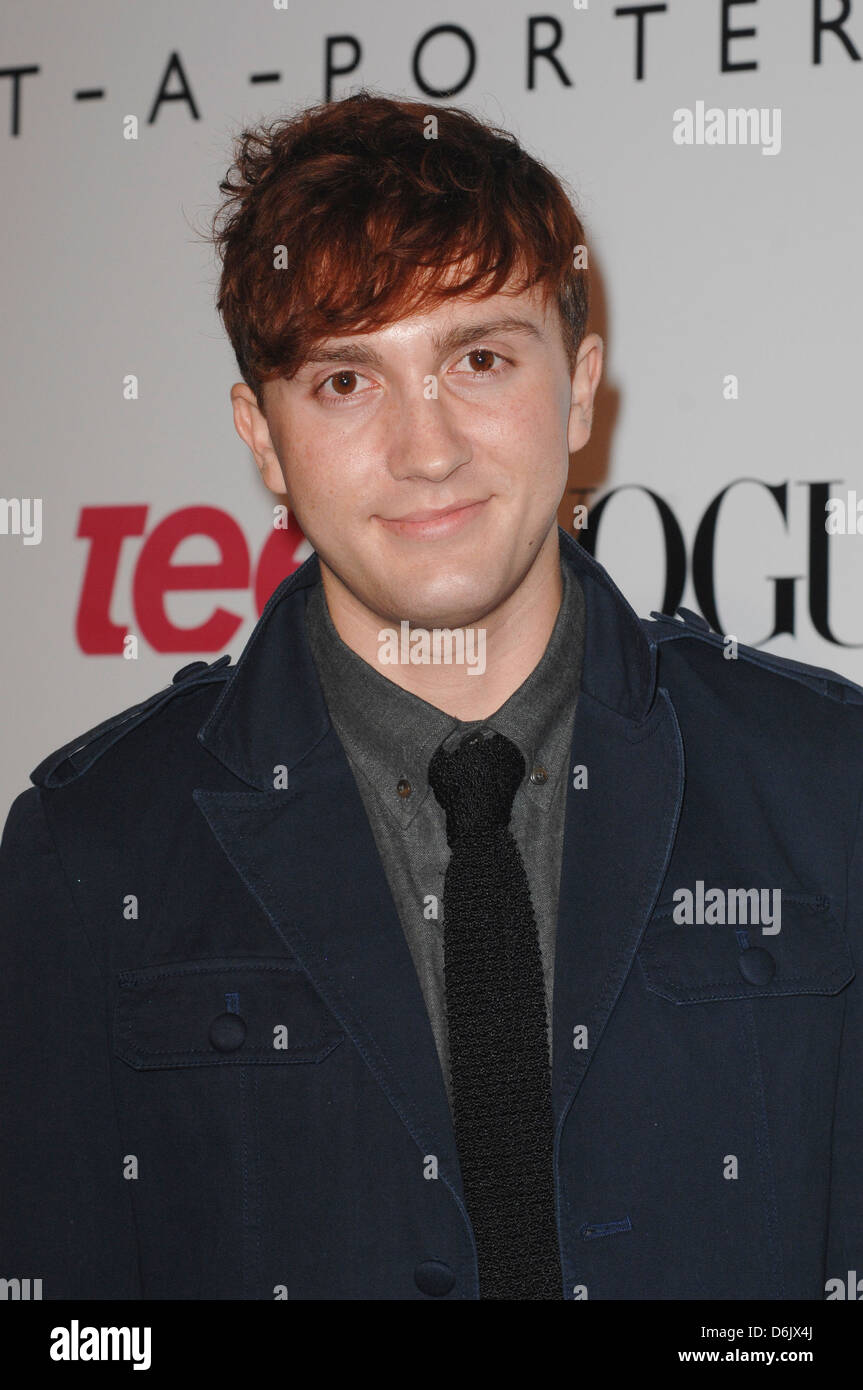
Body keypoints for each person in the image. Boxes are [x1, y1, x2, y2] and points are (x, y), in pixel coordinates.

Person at [1, 90, 861, 1302]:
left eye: (479, 358)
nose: (426, 448)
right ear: (262, 437)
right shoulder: (92, 849)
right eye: (347, 382)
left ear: (577, 389)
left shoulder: (826, 784)